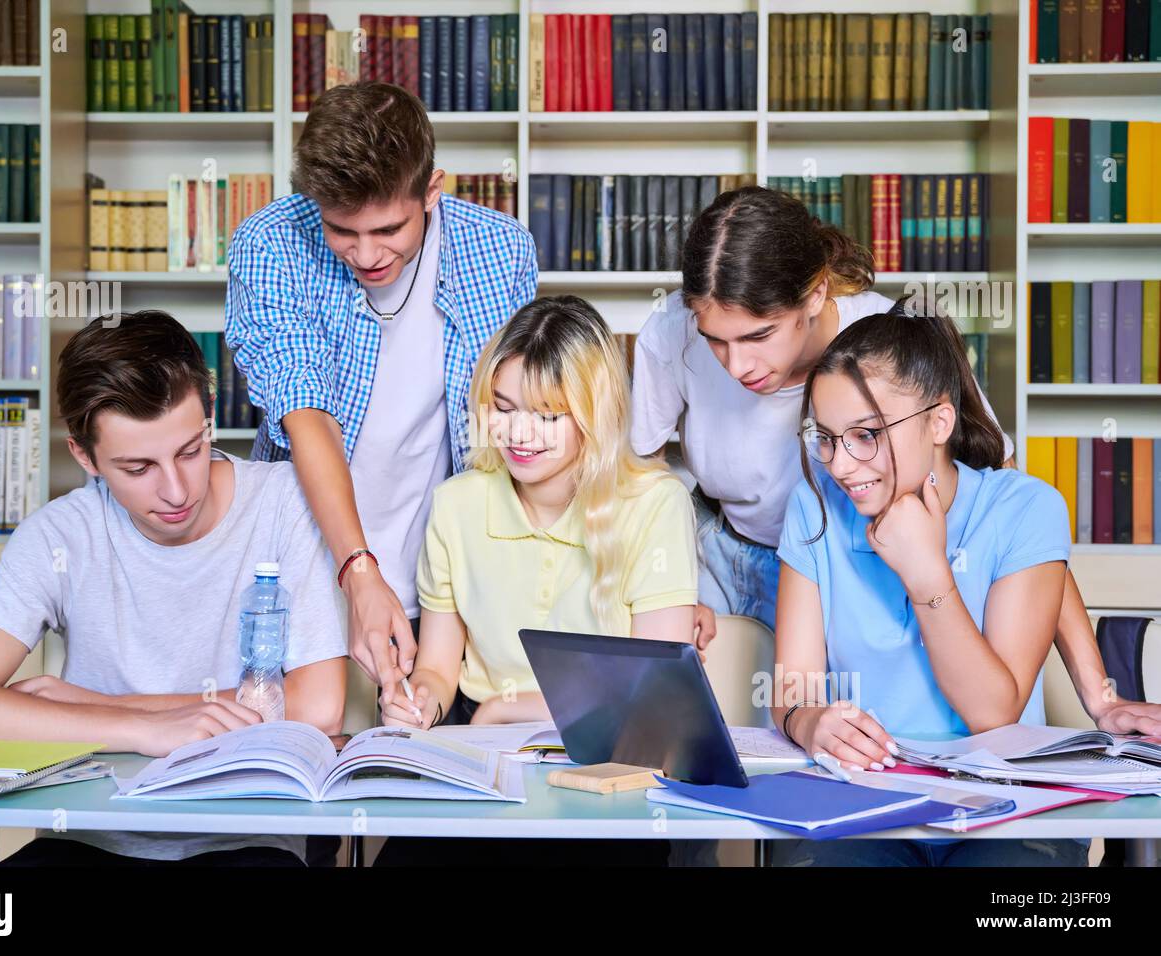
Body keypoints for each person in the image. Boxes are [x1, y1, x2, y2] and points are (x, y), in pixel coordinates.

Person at [631, 184, 1161, 737]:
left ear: (814, 295)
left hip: (858, 561)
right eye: (716, 340)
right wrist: (671, 591)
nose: (736, 366)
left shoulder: (889, 350)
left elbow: (1027, 537)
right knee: (687, 742)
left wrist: (1098, 692)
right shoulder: (676, 336)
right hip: (733, 555)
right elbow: (639, 486)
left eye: (759, 334)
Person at [0, 311, 346, 867]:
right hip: (87, 840)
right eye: (137, 467)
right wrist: (139, 728)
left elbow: (318, 710)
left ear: (208, 420)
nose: (177, 489)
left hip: (247, 844)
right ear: (85, 457)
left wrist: (95, 707)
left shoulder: (286, 501)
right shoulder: (59, 533)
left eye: (189, 450)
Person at [225, 81, 537, 710]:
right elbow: (304, 413)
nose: (367, 255)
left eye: (389, 229)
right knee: (295, 765)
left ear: (432, 189)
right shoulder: (270, 245)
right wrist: (358, 572)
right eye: (342, 231)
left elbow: (519, 422)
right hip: (305, 569)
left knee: (434, 774)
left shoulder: (501, 252)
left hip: (447, 584)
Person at [373, 295, 698, 867]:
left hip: (607, 774)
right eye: (502, 407)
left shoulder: (655, 504)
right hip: (481, 772)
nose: (519, 434)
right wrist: (419, 700)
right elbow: (438, 667)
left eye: (547, 415)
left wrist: (503, 708)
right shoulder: (457, 505)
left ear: (594, 414)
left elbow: (653, 701)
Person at [770, 303, 1087, 866]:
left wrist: (928, 575)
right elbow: (793, 687)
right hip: (865, 801)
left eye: (865, 436)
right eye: (826, 437)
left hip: (1007, 809)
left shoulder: (1026, 508)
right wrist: (808, 721)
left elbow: (994, 712)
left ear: (939, 421)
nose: (840, 465)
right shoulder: (813, 507)